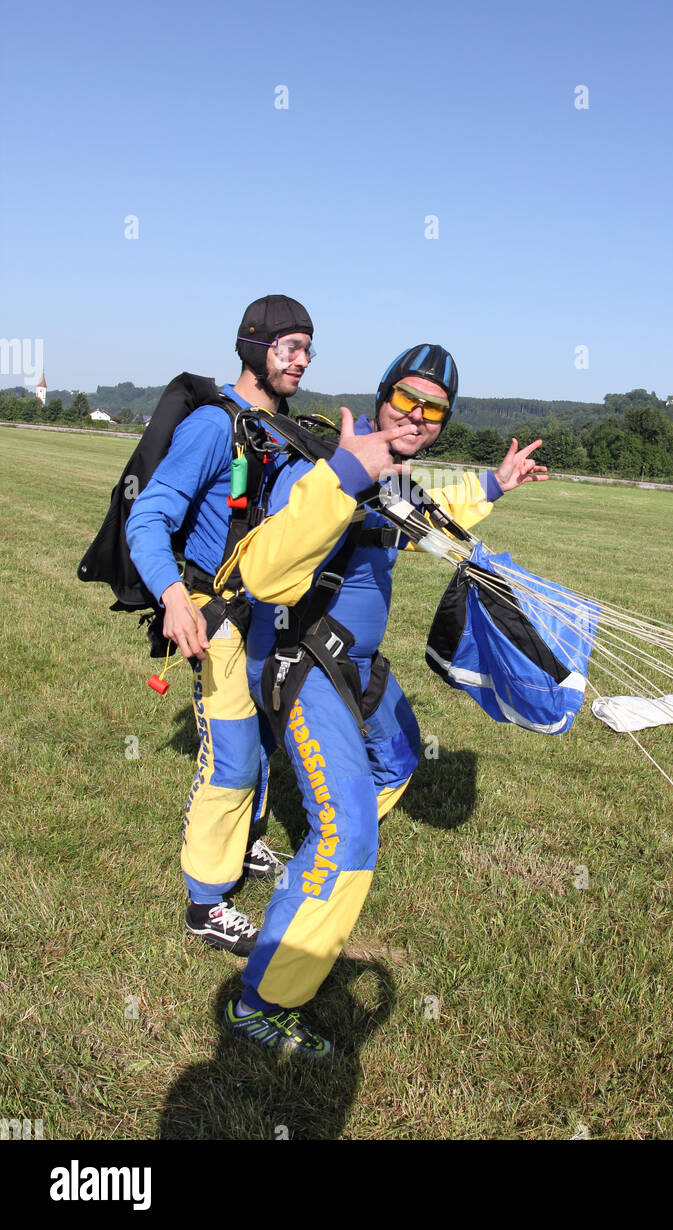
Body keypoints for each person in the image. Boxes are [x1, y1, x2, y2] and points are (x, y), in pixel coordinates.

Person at [213, 343, 548, 1057]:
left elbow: (430, 519)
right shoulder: (323, 463)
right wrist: (344, 474)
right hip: (305, 668)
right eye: (407, 399)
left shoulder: (392, 478)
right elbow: (265, 573)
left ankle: (325, 851)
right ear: (382, 394)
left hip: (355, 666)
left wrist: (495, 483)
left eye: (434, 410)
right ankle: (261, 1003)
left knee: (397, 760)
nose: (418, 417)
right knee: (349, 836)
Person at [125, 294, 318, 954]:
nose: (302, 361)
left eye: (308, 349)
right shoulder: (214, 427)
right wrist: (175, 597)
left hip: (273, 622)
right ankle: (207, 902)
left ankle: (249, 840)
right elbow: (148, 518)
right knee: (232, 758)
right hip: (222, 620)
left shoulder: (286, 432)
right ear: (255, 349)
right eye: (291, 348)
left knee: (265, 742)